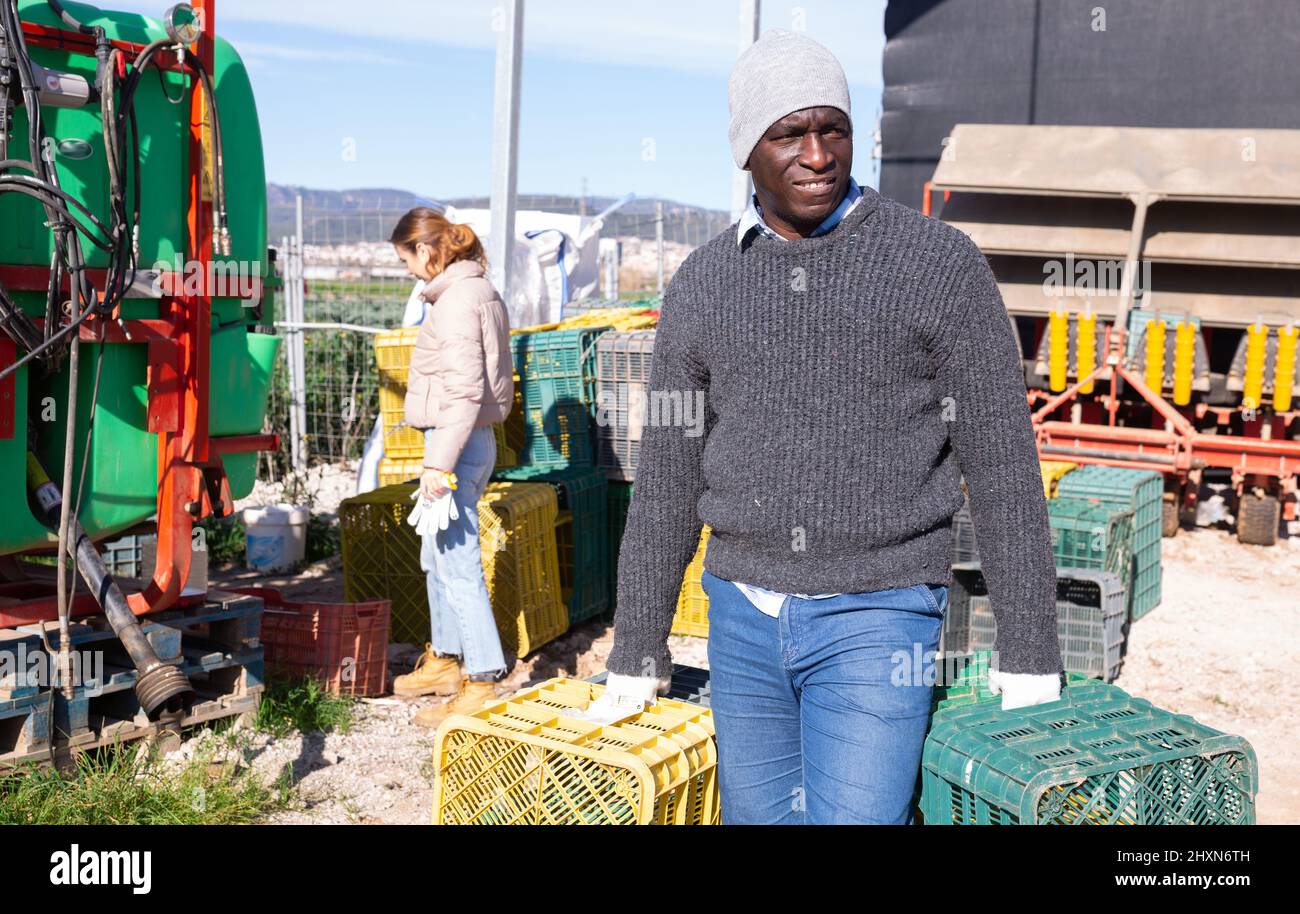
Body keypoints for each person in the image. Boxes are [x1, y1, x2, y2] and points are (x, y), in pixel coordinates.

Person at [592, 30, 1065, 824]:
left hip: (881, 613)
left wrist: (1030, 651)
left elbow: (1004, 466)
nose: (818, 154)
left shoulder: (938, 264)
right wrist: (639, 645)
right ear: (747, 149)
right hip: (740, 614)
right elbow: (669, 478)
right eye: (789, 134)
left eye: (833, 129)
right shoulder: (704, 284)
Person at [385, 208, 515, 729]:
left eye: (406, 260)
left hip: (454, 443)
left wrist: (438, 464)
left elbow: (463, 391)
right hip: (461, 439)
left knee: (456, 560)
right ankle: (444, 660)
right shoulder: (471, 292)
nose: (408, 271)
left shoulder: (459, 301)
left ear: (427, 251)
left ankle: (482, 677)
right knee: (436, 554)